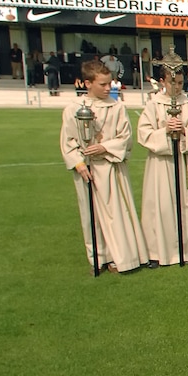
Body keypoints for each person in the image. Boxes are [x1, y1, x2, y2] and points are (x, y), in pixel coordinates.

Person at [60, 59, 148, 274]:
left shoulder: (116, 107)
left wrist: (105, 147)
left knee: (116, 213)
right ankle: (98, 258)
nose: (108, 88)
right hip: (87, 169)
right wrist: (78, 163)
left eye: (110, 83)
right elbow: (68, 140)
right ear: (87, 83)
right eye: (102, 84)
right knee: (91, 215)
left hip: (111, 166)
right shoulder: (73, 109)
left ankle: (120, 258)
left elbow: (125, 137)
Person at [137, 58, 188, 268]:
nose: (177, 87)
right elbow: (144, 135)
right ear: (163, 81)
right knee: (161, 205)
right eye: (173, 83)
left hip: (185, 162)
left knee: (187, 203)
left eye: (180, 83)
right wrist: (164, 130)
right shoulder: (153, 105)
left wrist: (183, 132)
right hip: (161, 163)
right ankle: (158, 252)